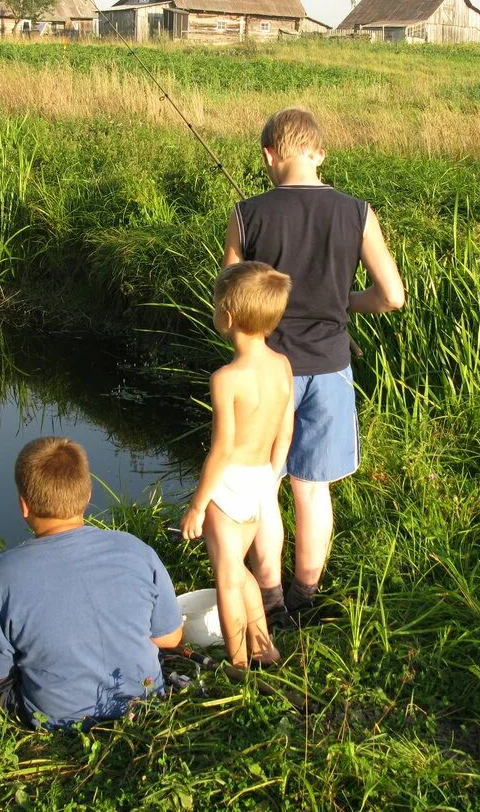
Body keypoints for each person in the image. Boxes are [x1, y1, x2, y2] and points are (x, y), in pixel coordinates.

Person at [223, 107, 405, 626]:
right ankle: (307, 593)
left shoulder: (245, 213)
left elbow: (230, 301)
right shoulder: (358, 211)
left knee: (264, 484)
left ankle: (270, 597)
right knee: (312, 486)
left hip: (265, 370)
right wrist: (342, 301)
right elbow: (392, 296)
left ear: (267, 156)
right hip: (329, 366)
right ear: (320, 154)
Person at [0, 437, 184, 729]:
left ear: (23, 506)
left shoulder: (3, 574)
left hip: (54, 719)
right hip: (143, 702)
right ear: (88, 494)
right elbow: (170, 639)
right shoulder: (136, 550)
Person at [181, 261, 294, 667]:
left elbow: (222, 449)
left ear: (226, 318)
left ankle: (240, 664)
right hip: (262, 478)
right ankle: (265, 646)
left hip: (228, 486)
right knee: (241, 570)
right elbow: (286, 429)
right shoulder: (282, 364)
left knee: (227, 578)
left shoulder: (226, 377)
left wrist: (197, 505)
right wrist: (271, 479)